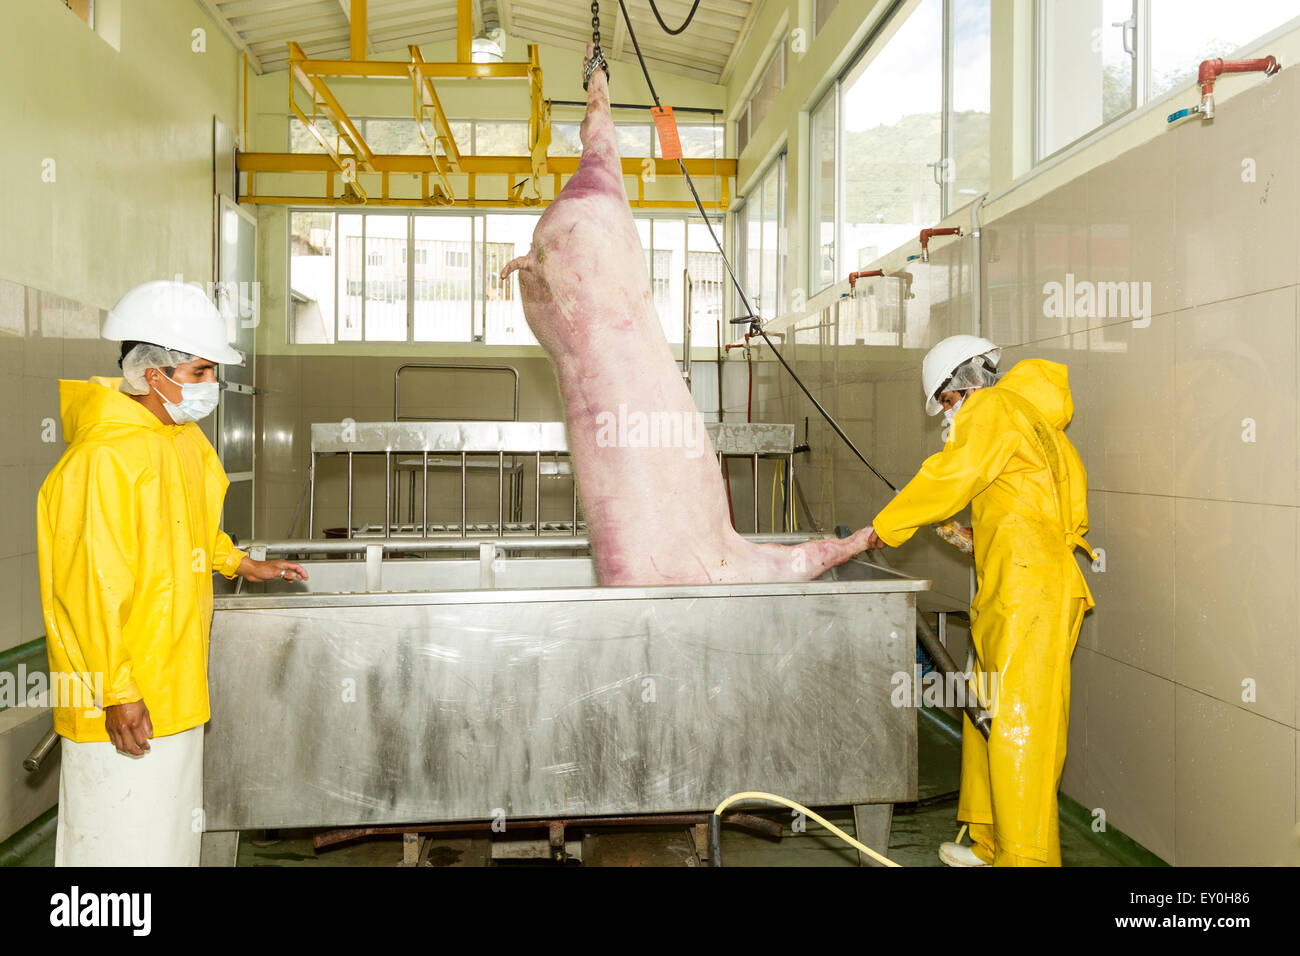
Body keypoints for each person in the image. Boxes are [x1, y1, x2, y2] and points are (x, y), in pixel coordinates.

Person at [37, 280, 308, 866]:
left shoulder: (179, 441)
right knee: (118, 846)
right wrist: (117, 691)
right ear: (153, 374)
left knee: (164, 842)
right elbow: (88, 586)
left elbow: (187, 528)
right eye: (201, 372)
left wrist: (238, 562)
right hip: (124, 695)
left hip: (174, 686)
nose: (213, 386)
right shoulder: (102, 457)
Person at [864, 335, 1094, 867]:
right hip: (1017, 586)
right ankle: (993, 842)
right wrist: (974, 535)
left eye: (946, 402)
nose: (947, 415)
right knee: (986, 709)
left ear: (965, 384)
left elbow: (952, 476)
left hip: (1029, 592)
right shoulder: (1027, 420)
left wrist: (883, 528)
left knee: (1019, 724)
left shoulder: (991, 407)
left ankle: (1026, 860)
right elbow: (1028, 508)